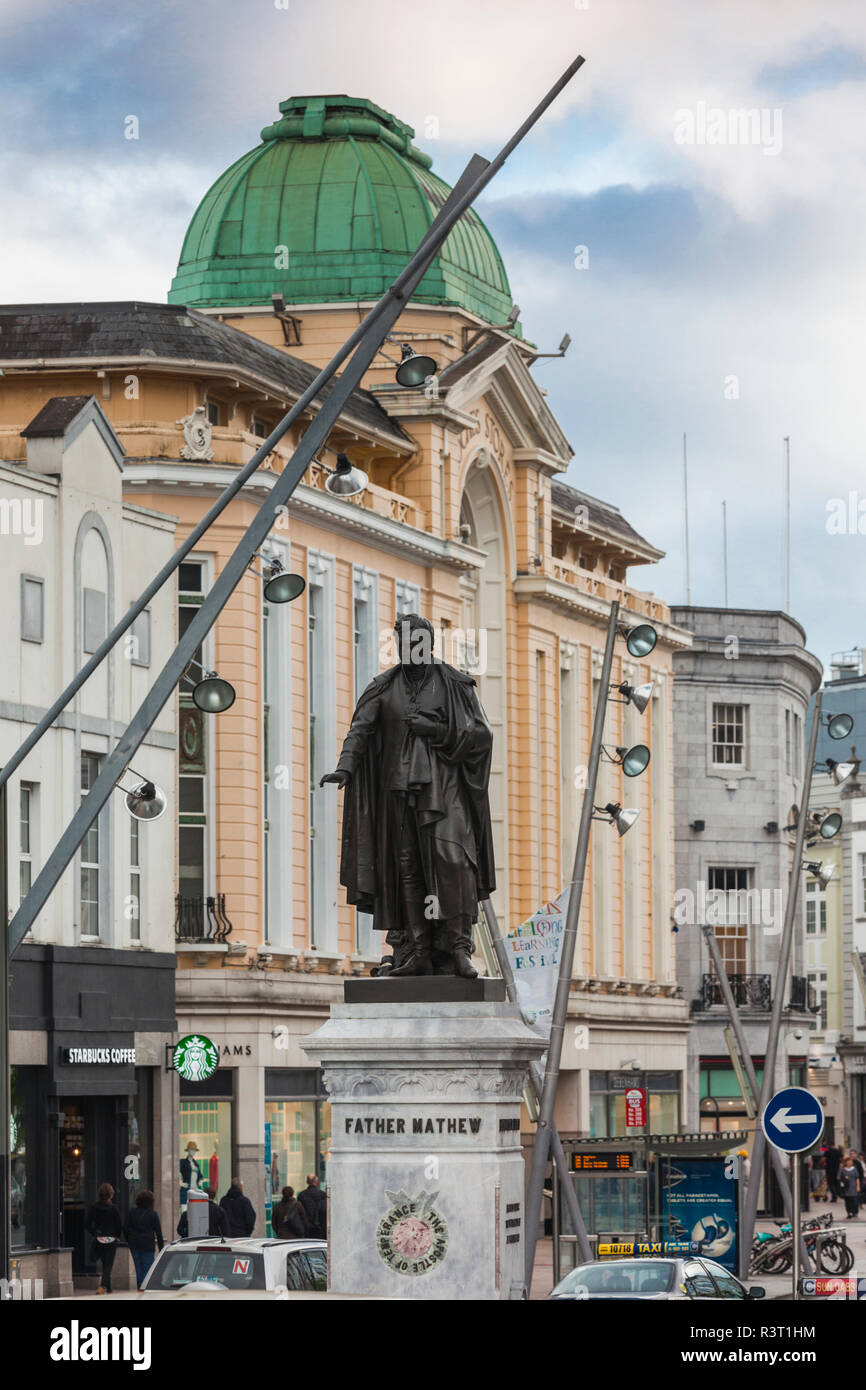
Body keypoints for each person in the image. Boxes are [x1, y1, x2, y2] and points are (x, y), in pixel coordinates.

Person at [321, 613, 496, 979]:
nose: (409, 648)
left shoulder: (454, 684)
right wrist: (346, 767)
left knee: (454, 862)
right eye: (402, 642)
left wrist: (436, 729)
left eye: (415, 641)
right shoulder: (385, 687)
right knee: (407, 869)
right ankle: (417, 949)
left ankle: (459, 947)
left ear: (428, 644)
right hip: (398, 795)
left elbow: (481, 734)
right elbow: (360, 730)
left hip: (445, 792)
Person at [85, 1182, 122, 1294]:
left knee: (105, 1263)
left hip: (99, 1238)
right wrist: (117, 1236)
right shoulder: (113, 1208)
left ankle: (109, 1288)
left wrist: (94, 1233)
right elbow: (119, 1225)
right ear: (111, 1194)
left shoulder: (94, 1207)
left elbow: (87, 1224)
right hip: (111, 1239)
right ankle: (102, 1287)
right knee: (108, 1265)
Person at [123, 1190, 165, 1289]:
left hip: (134, 1244)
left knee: (138, 1269)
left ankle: (140, 1288)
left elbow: (125, 1228)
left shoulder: (132, 1212)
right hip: (147, 1244)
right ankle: (145, 1289)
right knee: (148, 1269)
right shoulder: (153, 1214)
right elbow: (158, 1233)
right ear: (151, 1201)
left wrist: (129, 1240)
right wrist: (161, 1249)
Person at [839, 1155, 860, 1219]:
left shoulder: (854, 1169)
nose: (849, 1163)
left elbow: (857, 1178)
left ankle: (854, 1212)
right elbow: (841, 1178)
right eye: (847, 1161)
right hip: (846, 1188)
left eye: (850, 1161)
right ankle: (849, 1212)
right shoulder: (843, 1169)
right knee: (847, 1201)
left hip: (853, 1187)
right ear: (845, 1162)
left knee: (854, 1200)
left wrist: (858, 1186)